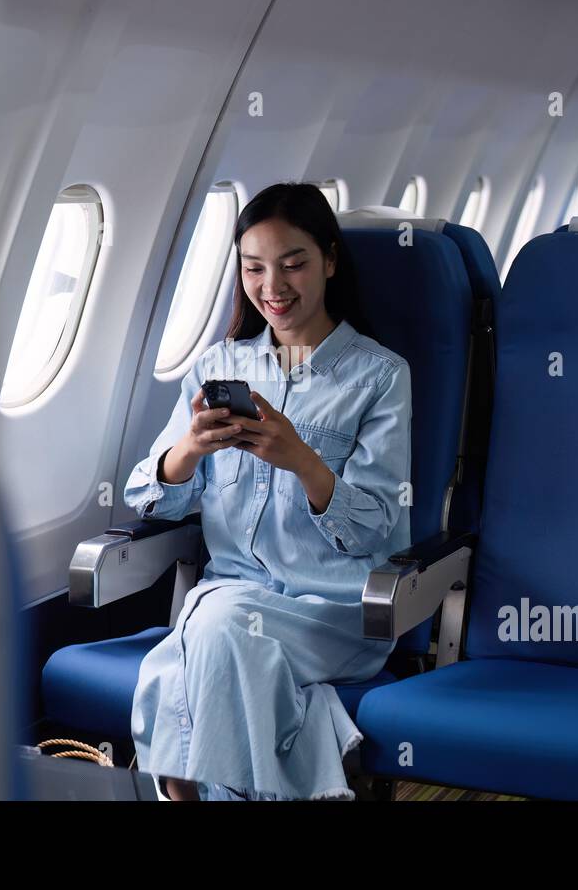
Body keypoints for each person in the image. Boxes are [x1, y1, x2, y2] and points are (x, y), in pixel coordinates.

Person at [125, 182, 412, 800]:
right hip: (232, 603)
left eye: (294, 264)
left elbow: (377, 527)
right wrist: (190, 450)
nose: (273, 287)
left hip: (333, 613)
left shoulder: (380, 376)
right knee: (226, 633)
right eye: (254, 268)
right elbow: (146, 496)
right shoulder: (217, 367)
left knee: (205, 641)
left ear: (330, 261)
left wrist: (302, 460)